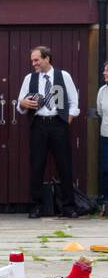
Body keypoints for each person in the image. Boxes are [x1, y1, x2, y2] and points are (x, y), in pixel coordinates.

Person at [17, 45, 81, 219]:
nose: (34, 63)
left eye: (36, 60)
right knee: (37, 166)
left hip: (58, 124)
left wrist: (67, 119)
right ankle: (36, 206)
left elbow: (74, 102)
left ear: (47, 58)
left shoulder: (63, 76)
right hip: (38, 125)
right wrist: (23, 104)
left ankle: (68, 206)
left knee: (64, 165)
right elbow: (20, 104)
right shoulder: (29, 78)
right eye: (32, 60)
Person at [97, 61, 108, 212]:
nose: (104, 73)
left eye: (107, 71)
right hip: (106, 135)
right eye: (105, 70)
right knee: (106, 170)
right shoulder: (102, 91)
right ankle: (106, 202)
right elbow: (100, 111)